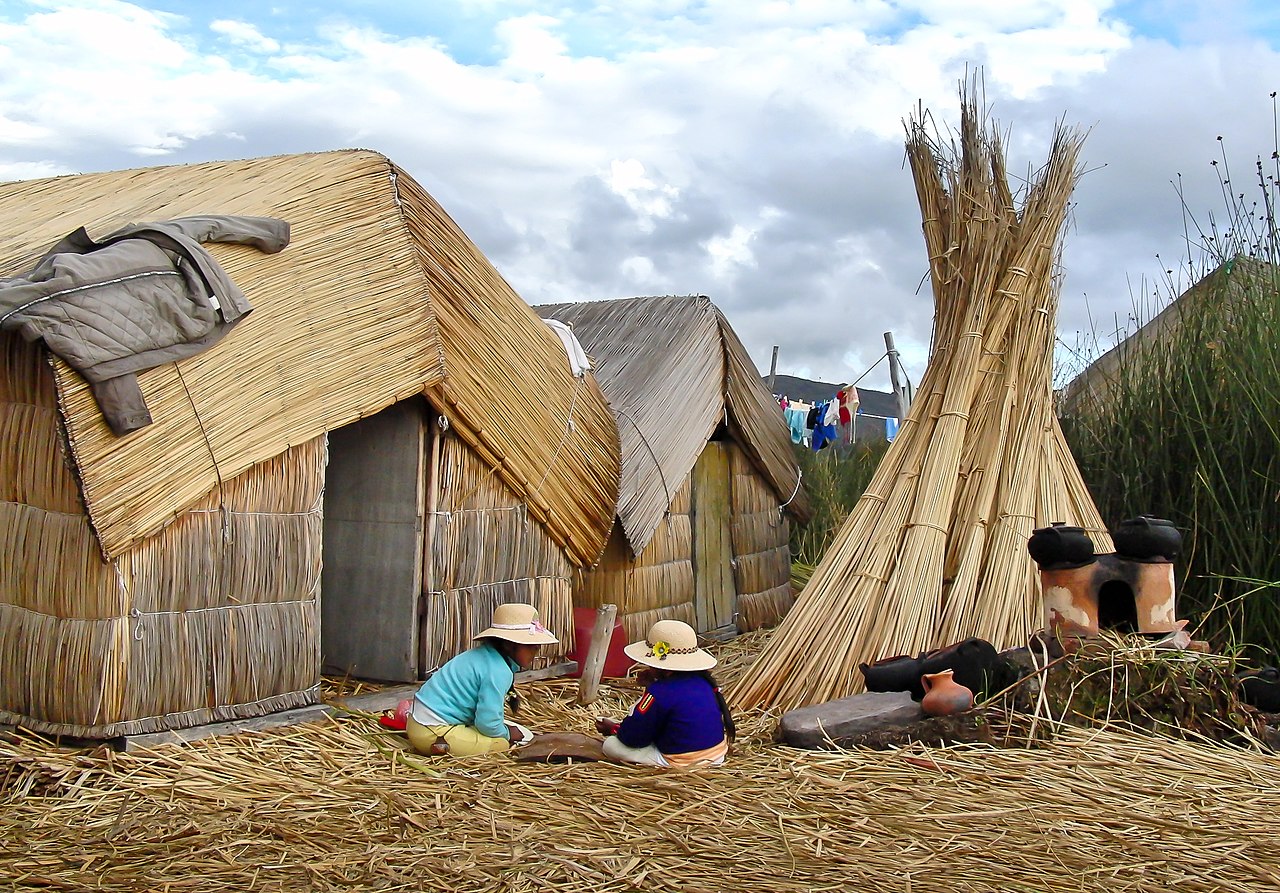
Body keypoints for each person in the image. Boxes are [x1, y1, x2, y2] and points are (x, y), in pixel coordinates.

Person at [406, 602, 558, 757]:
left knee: (509, 731)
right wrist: (507, 734)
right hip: (432, 731)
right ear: (508, 645)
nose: (536, 649)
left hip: (419, 721)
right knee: (501, 744)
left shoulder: (487, 657)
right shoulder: (498, 671)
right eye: (530, 645)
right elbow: (487, 723)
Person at [596, 619, 735, 768]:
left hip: (682, 761)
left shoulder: (659, 692)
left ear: (661, 665)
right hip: (716, 756)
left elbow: (634, 738)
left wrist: (614, 729)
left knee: (610, 745)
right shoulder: (705, 682)